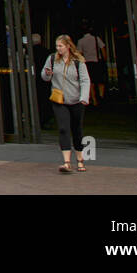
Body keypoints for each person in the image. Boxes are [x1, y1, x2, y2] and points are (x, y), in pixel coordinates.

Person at [41, 34, 91, 173]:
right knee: (63, 128)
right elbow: (44, 77)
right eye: (57, 46)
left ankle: (80, 160)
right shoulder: (52, 59)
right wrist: (47, 74)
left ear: (68, 46)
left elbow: (85, 80)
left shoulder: (78, 61)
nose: (58, 48)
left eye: (61, 46)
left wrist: (84, 97)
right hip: (59, 99)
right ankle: (67, 162)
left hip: (76, 100)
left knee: (77, 129)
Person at [77, 26, 107, 106]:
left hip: (87, 63)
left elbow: (79, 54)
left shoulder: (80, 41)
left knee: (90, 82)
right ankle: (101, 96)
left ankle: (94, 100)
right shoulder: (96, 38)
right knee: (100, 80)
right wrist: (105, 59)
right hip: (97, 61)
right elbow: (103, 49)